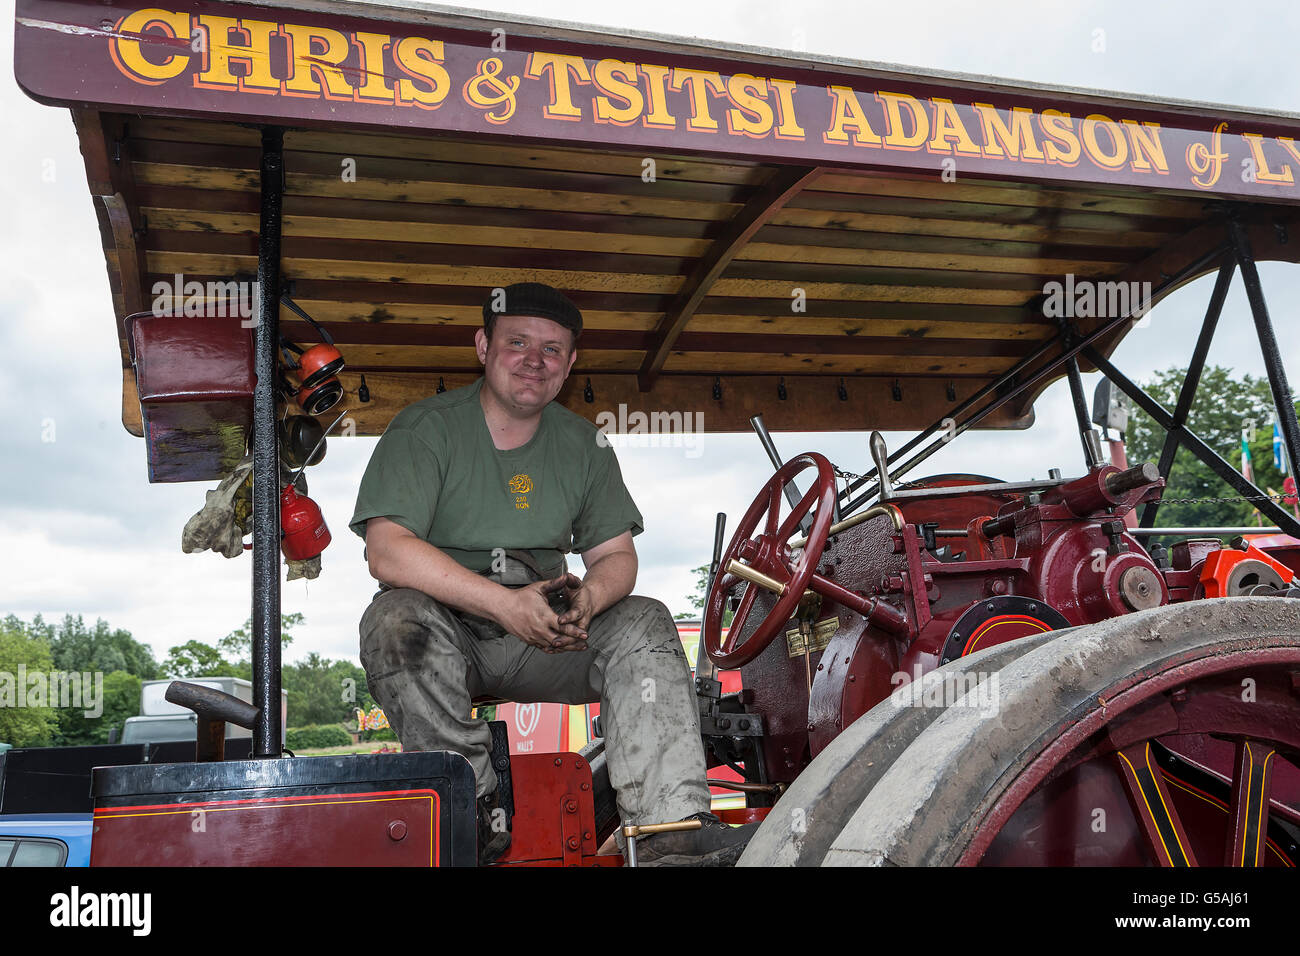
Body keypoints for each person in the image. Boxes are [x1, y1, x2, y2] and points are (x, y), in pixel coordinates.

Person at [349, 282, 754, 866]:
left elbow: (617, 557)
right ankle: (474, 811)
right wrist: (503, 603)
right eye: (518, 343)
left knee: (644, 620)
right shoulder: (424, 429)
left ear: (568, 366)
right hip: (447, 636)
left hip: (546, 636)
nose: (534, 360)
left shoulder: (585, 445)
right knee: (392, 620)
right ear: (483, 348)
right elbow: (386, 551)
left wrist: (589, 597)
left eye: (553, 349)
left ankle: (669, 831)